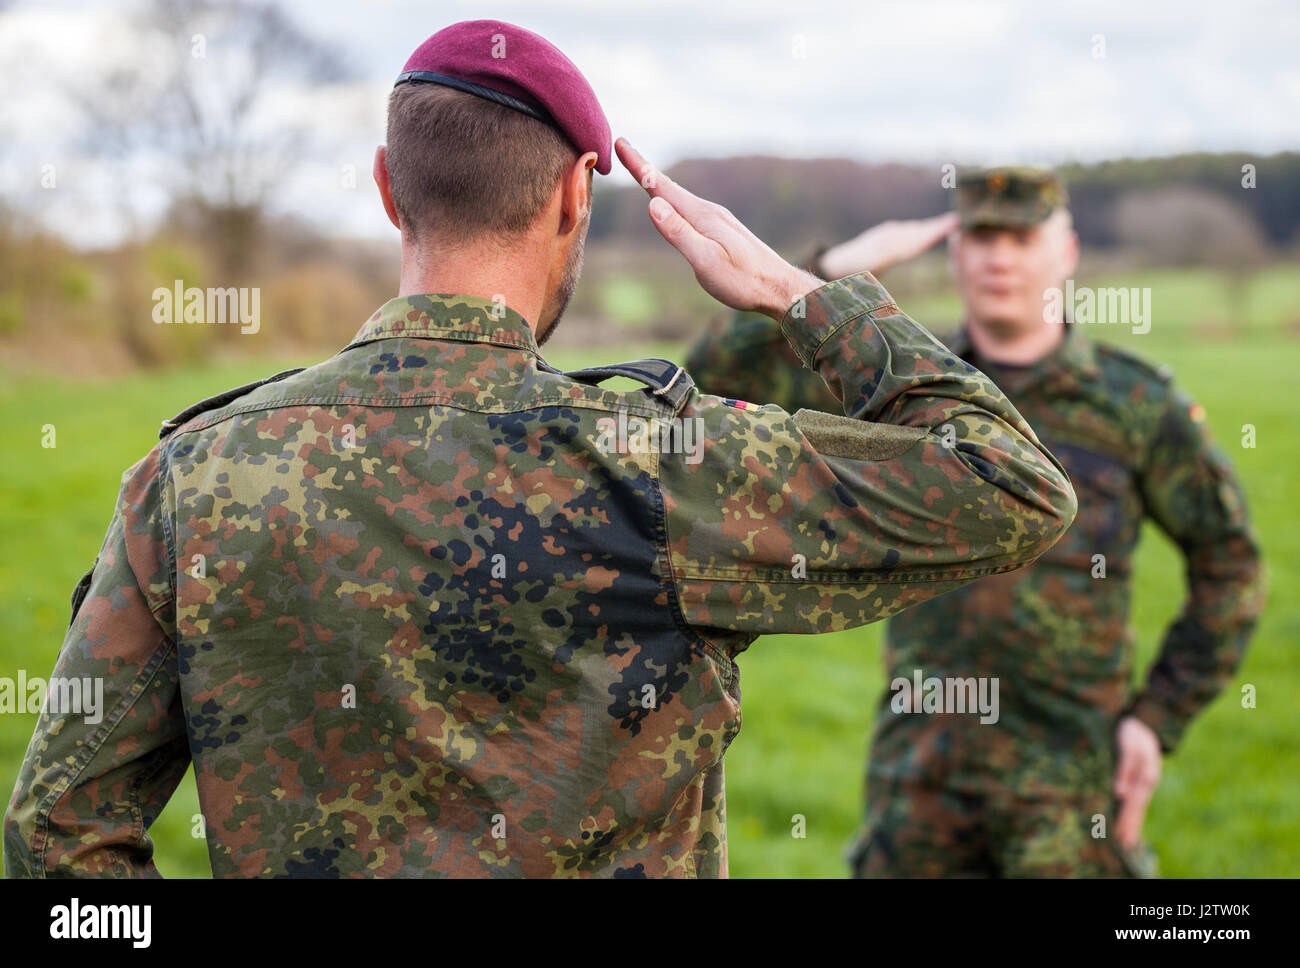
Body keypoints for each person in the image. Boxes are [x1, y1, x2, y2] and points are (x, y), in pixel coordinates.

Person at [3, 24, 1075, 879]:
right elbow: (1011, 482)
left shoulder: (191, 475)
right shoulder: (657, 460)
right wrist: (802, 294)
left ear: (388, 187)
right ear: (575, 197)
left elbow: (58, 830)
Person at [685, 167, 1265, 876]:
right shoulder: (900, 391)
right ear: (955, 254)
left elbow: (1230, 562)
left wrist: (1156, 719)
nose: (1000, 257)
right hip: (918, 778)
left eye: (1022, 237)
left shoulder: (1134, 404)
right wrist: (822, 277)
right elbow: (718, 383)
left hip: (1071, 786)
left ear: (1068, 251)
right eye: (981, 236)